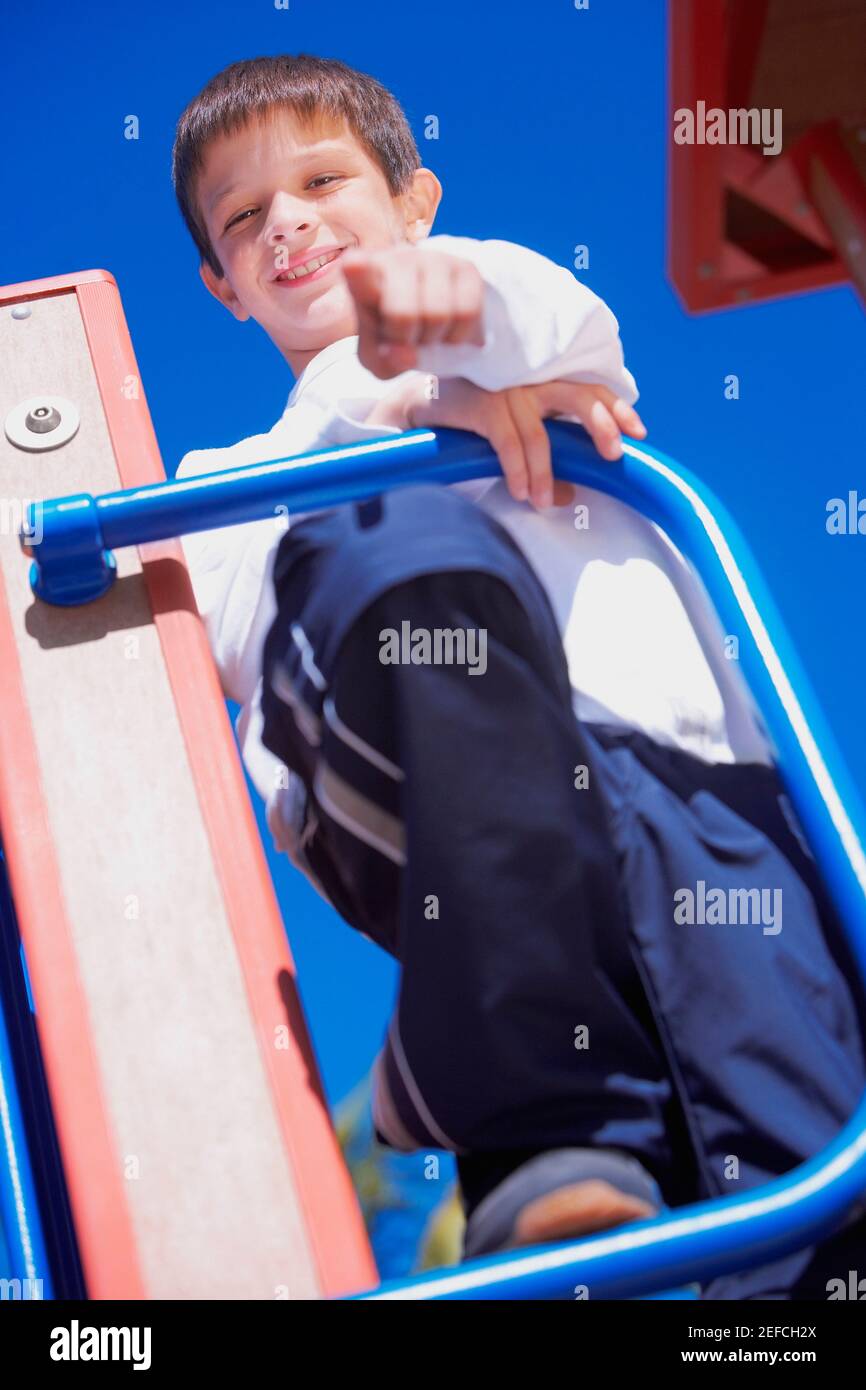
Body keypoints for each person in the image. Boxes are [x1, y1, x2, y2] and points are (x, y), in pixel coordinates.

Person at [171, 54, 866, 1298]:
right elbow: (242, 628)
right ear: (223, 287)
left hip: (695, 793)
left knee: (804, 1172)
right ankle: (541, 1129)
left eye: (323, 180)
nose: (286, 221)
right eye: (241, 219)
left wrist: (433, 351)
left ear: (415, 204)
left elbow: (555, 318)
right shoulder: (229, 471)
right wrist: (392, 410)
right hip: (434, 788)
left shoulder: (513, 335)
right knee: (400, 538)